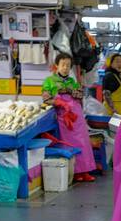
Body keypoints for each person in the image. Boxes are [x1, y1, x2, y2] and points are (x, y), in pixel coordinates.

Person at [41, 52, 98, 183]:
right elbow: (46, 99)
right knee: (70, 144)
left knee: (83, 142)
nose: (66, 68)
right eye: (63, 65)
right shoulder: (49, 81)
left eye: (68, 65)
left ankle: (86, 171)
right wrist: (59, 102)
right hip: (63, 117)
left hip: (76, 116)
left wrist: (71, 91)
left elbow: (80, 95)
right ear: (57, 66)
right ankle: (76, 172)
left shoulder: (73, 81)